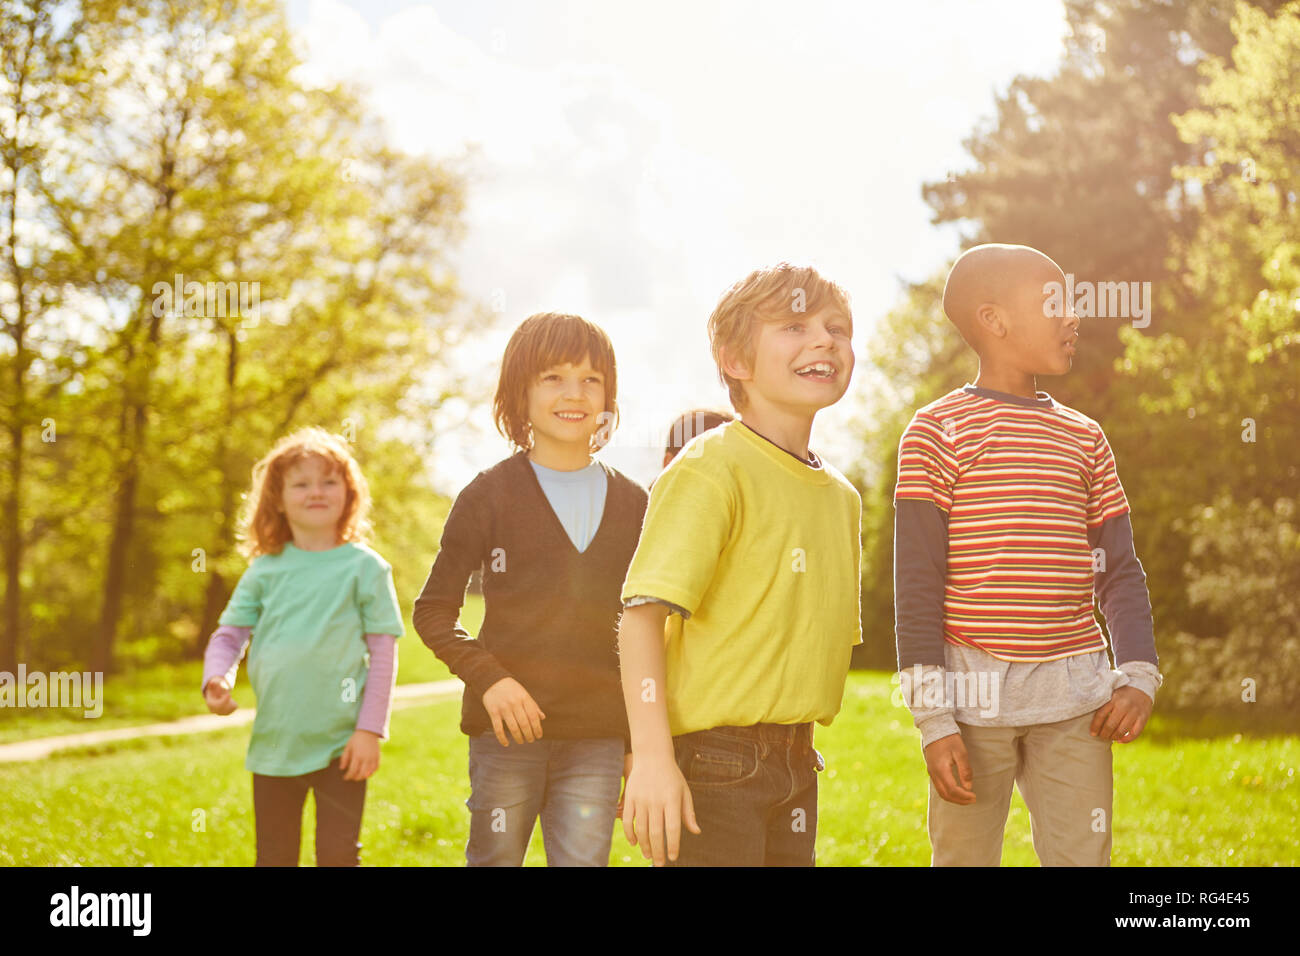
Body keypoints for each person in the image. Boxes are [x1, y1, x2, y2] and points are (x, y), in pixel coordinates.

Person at [893, 242, 1161, 866]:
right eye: (1055, 302)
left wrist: (1140, 673)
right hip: (972, 697)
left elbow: (1118, 570)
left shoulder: (1085, 437)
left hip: (1077, 700)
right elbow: (916, 586)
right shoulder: (936, 432)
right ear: (994, 320)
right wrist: (934, 720)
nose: (1073, 316)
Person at [617, 262, 862, 866]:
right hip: (713, 763)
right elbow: (641, 619)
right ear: (736, 360)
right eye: (795, 326)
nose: (825, 339)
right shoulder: (710, 467)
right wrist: (650, 758)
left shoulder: (843, 498)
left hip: (798, 761)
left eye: (837, 327)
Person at [413, 312, 648, 866]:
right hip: (505, 738)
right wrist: (491, 681)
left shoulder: (638, 505)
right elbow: (433, 612)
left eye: (591, 379)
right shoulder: (487, 496)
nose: (576, 393)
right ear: (520, 394)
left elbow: (648, 634)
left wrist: (640, 745)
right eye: (554, 378)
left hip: (598, 736)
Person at [201, 427, 403, 867]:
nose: (316, 491)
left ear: (349, 494)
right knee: (273, 857)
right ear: (277, 497)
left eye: (329, 481)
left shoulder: (365, 568)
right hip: (276, 744)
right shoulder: (264, 570)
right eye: (301, 483)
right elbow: (230, 635)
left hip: (343, 745)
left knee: (337, 856)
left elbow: (384, 654)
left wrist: (370, 731)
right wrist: (217, 676)